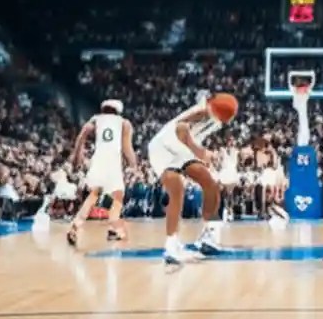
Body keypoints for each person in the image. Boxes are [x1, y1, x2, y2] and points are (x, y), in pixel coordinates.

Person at [147, 91, 236, 267]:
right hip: (164, 146)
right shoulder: (204, 111)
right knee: (177, 188)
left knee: (210, 185)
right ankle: (171, 246)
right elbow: (181, 127)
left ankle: (208, 238)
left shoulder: (215, 119)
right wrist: (198, 151)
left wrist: (198, 151)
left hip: (178, 147)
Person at [68, 99, 136, 245]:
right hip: (113, 162)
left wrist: (76, 156)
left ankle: (76, 224)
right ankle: (113, 228)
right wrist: (133, 165)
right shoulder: (124, 123)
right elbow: (127, 148)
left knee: (93, 195)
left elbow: (82, 136)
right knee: (118, 196)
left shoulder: (95, 119)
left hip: (98, 160)